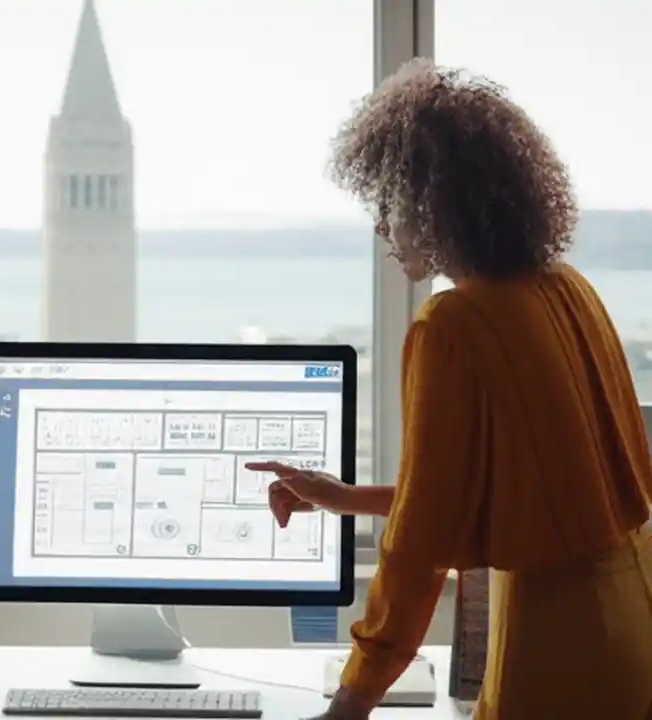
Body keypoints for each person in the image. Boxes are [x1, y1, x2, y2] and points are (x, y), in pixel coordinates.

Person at [248, 58, 652, 719]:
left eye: (389, 201)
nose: (382, 227)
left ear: (438, 203)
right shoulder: (570, 291)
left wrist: (352, 700)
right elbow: (503, 501)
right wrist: (346, 498)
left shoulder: (452, 324)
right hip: (633, 624)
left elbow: (420, 549)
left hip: (557, 644)